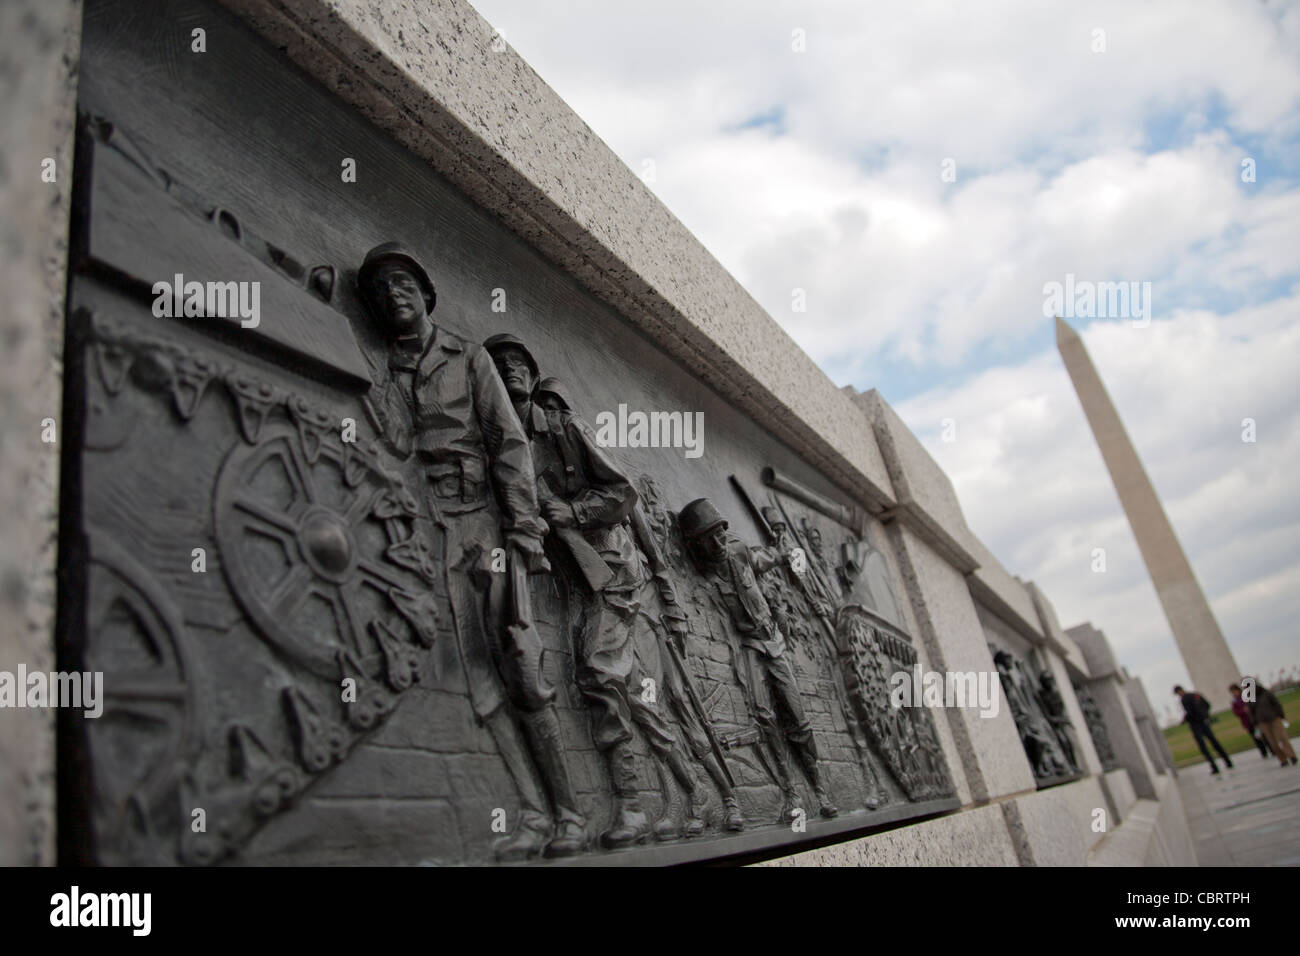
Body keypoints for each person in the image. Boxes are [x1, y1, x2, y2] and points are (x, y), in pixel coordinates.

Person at [357, 242, 585, 860]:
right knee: (479, 679)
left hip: (486, 525)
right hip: (440, 532)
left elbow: (508, 443)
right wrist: (380, 378)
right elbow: (396, 441)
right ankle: (534, 816)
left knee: (520, 661)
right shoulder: (394, 369)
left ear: (426, 293)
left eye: (403, 282)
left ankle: (570, 813)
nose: (392, 294)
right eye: (381, 290)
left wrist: (524, 529)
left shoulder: (469, 356)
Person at [484, 337, 713, 845]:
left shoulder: (564, 427)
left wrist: (574, 512)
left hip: (607, 569)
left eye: (519, 363)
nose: (510, 370)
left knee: (596, 674)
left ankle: (630, 805)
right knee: (632, 694)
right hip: (570, 578)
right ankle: (692, 791)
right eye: (499, 366)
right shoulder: (500, 438)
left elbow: (622, 492)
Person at [680, 497, 838, 821]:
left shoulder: (740, 553)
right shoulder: (702, 573)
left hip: (773, 642)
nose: (718, 543)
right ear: (698, 545)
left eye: (720, 534)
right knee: (765, 718)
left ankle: (819, 787)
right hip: (749, 648)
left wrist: (786, 551)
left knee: (798, 719)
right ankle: (791, 791)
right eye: (708, 539)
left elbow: (773, 558)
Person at [1174, 685, 1233, 774]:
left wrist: (1185, 720)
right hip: (1204, 722)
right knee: (1214, 742)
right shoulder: (1195, 695)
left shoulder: (1185, 699)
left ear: (1179, 691)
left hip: (1196, 724)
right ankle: (1228, 761)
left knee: (1203, 747)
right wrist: (1204, 715)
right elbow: (1207, 705)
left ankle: (1214, 766)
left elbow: (1189, 712)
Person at [1245, 678, 1298, 768]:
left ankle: (1291, 756)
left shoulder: (1266, 693)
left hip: (1274, 719)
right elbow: (1251, 712)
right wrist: (1255, 723)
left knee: (1283, 738)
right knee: (1272, 742)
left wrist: (1281, 715)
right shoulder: (1250, 698)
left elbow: (1276, 704)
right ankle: (1283, 759)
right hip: (1262, 722)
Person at [1229, 683, 1272, 759]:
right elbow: (1236, 712)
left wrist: (1250, 708)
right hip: (1247, 721)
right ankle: (1263, 752)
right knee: (1256, 738)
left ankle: (1272, 750)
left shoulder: (1246, 696)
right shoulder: (1234, 701)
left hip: (1255, 719)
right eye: (1232, 692)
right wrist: (1243, 711)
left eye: (1234, 691)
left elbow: (1254, 705)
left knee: (1264, 735)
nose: (1234, 693)